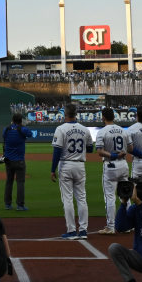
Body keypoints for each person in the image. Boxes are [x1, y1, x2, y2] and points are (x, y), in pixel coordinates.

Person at [51, 102, 93, 239]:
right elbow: (91, 149)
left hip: (66, 165)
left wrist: (52, 170)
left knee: (68, 199)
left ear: (65, 114)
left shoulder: (60, 129)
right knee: (82, 198)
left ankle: (71, 231)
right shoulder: (85, 129)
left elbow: (57, 151)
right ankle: (83, 231)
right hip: (80, 165)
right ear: (76, 114)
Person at [94, 107, 129, 234]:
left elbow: (99, 152)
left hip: (110, 165)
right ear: (114, 117)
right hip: (124, 165)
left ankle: (110, 226)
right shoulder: (123, 130)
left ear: (103, 117)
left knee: (110, 197)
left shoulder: (102, 132)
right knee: (126, 196)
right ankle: (128, 224)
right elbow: (130, 147)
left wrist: (114, 155)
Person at [0, 114, 32, 211]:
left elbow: (3, 136)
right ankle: (20, 205)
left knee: (9, 182)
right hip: (19, 160)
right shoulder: (22, 129)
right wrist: (23, 126)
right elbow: (30, 134)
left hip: (8, 160)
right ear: (21, 120)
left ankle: (7, 204)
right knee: (20, 183)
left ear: (12, 120)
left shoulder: (7, 129)